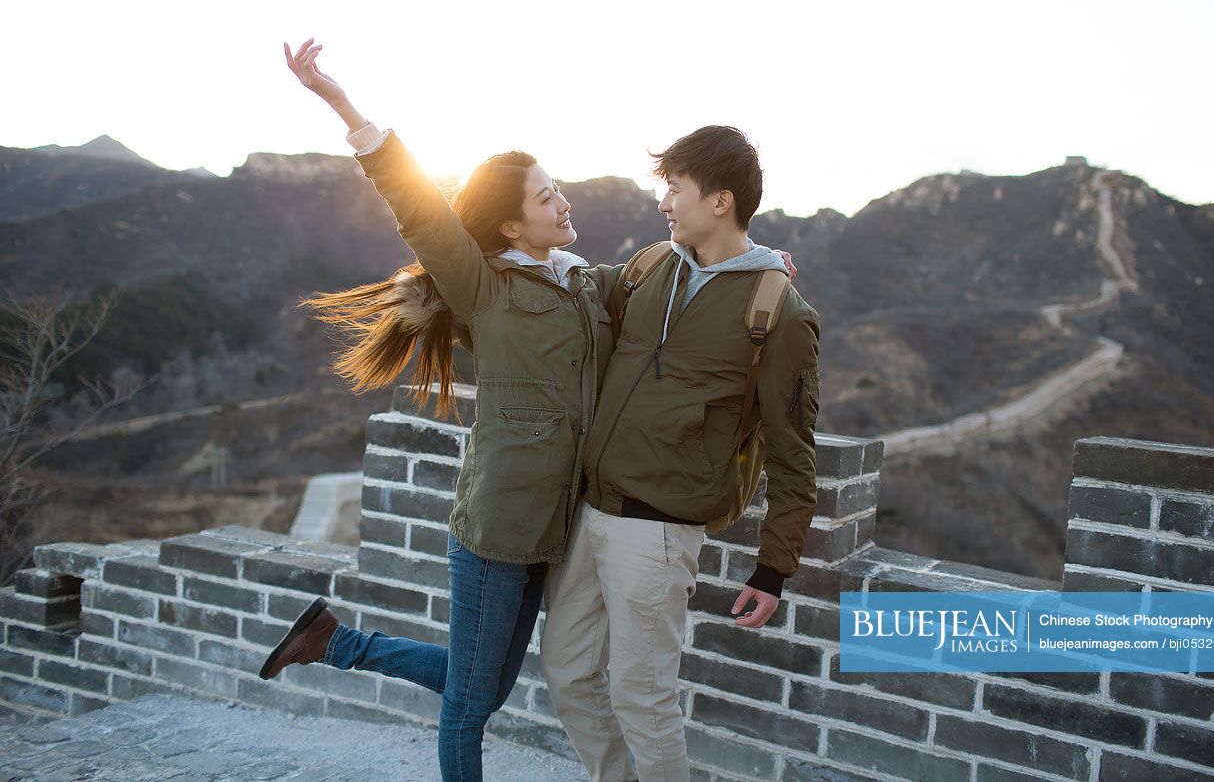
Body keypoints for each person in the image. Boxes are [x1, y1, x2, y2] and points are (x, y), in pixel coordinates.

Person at [259, 38, 617, 782]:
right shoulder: (485, 287)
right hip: (494, 528)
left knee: (482, 683)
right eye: (546, 194)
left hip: (551, 528)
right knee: (469, 705)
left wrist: (751, 264)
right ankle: (337, 644)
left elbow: (655, 280)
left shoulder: (583, 283)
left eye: (558, 187)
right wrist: (339, 101)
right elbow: (417, 207)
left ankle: (333, 639)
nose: (563, 200)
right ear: (512, 226)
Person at [540, 125, 822, 781]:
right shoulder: (647, 267)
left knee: (641, 698)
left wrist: (773, 568)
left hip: (659, 533)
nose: (662, 201)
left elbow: (792, 450)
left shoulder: (779, 310)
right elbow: (574, 290)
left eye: (675, 188)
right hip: (588, 512)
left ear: (720, 200)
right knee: (567, 674)